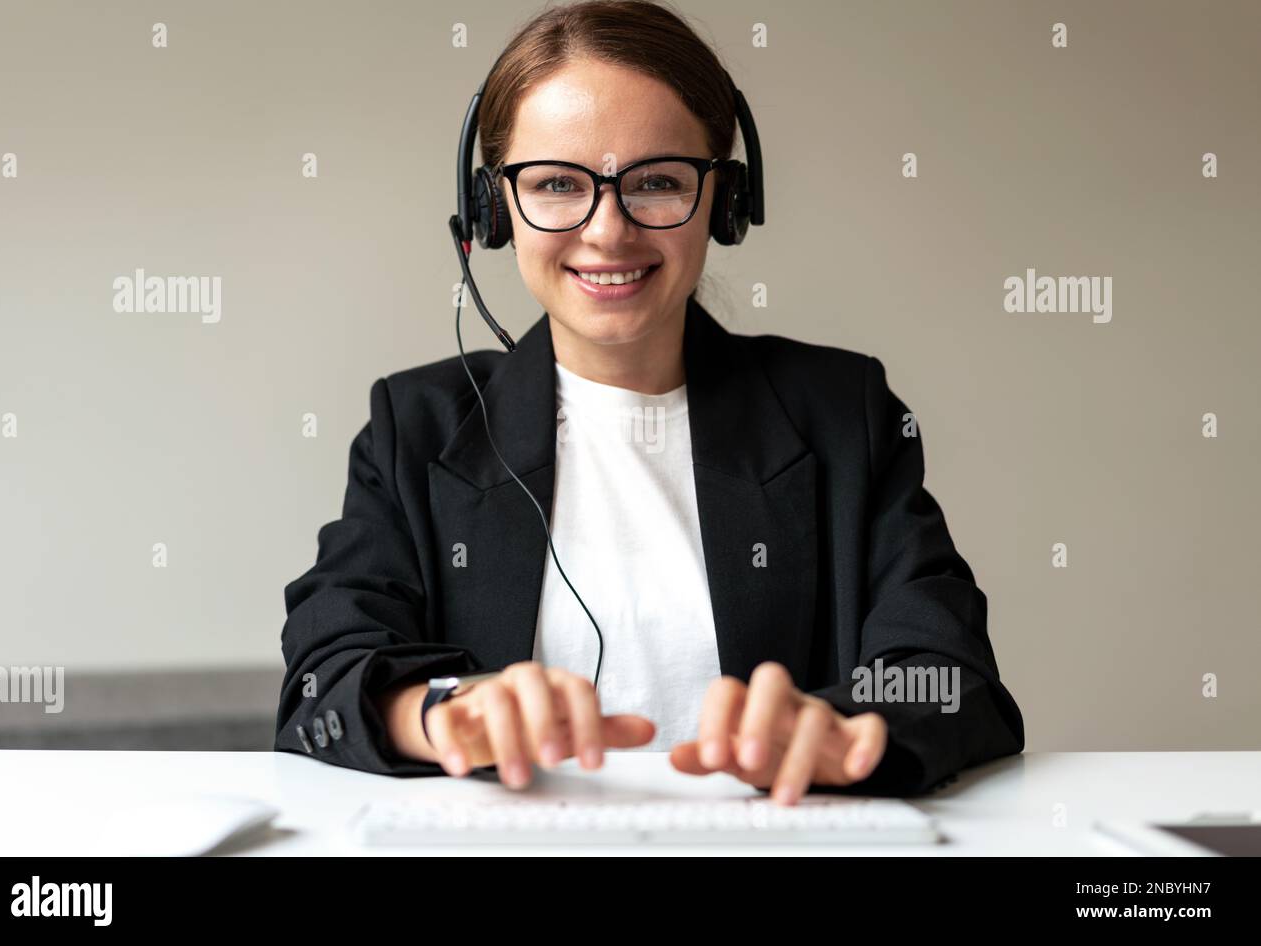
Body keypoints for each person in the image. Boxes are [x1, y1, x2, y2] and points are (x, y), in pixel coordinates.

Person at [274, 0, 1024, 806]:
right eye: (557, 184)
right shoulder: (415, 429)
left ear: (725, 203)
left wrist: (849, 734)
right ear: (493, 211)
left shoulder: (844, 416)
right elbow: (324, 676)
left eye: (658, 182)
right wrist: (443, 713)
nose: (609, 230)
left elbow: (951, 679)